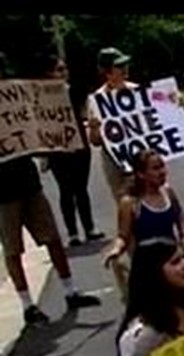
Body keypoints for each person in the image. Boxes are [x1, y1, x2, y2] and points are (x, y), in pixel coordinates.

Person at [0, 151, 101, 326]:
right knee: (13, 249)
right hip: (3, 196)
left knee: (53, 239)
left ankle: (70, 291)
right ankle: (28, 306)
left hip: (30, 185)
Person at [41, 54, 102, 246]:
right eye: (59, 70)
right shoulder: (41, 97)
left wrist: (92, 123)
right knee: (66, 190)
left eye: (64, 69)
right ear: (49, 73)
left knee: (81, 189)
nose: (63, 73)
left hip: (79, 147)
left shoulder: (75, 92)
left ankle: (89, 228)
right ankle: (73, 233)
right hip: (57, 150)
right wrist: (44, 154)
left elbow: (85, 113)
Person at [103, 150, 184, 277]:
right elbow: (123, 236)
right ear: (141, 174)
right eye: (155, 168)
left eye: (162, 166)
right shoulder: (130, 203)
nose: (162, 172)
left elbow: (179, 215)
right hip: (147, 264)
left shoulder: (168, 192)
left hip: (172, 258)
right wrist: (116, 250)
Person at [85, 47, 136, 204]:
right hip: (114, 159)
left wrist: (173, 100)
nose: (125, 69)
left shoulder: (137, 91)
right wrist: (94, 128)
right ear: (107, 72)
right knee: (124, 202)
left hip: (140, 154)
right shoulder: (97, 100)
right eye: (119, 67)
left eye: (125, 65)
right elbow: (95, 141)